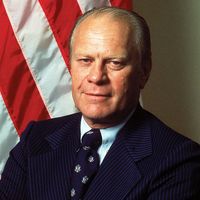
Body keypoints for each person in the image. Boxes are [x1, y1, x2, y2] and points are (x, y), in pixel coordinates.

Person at [0, 7, 200, 200]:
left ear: (144, 72)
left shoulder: (178, 159)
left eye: (115, 62)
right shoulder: (35, 140)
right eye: (85, 60)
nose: (96, 77)